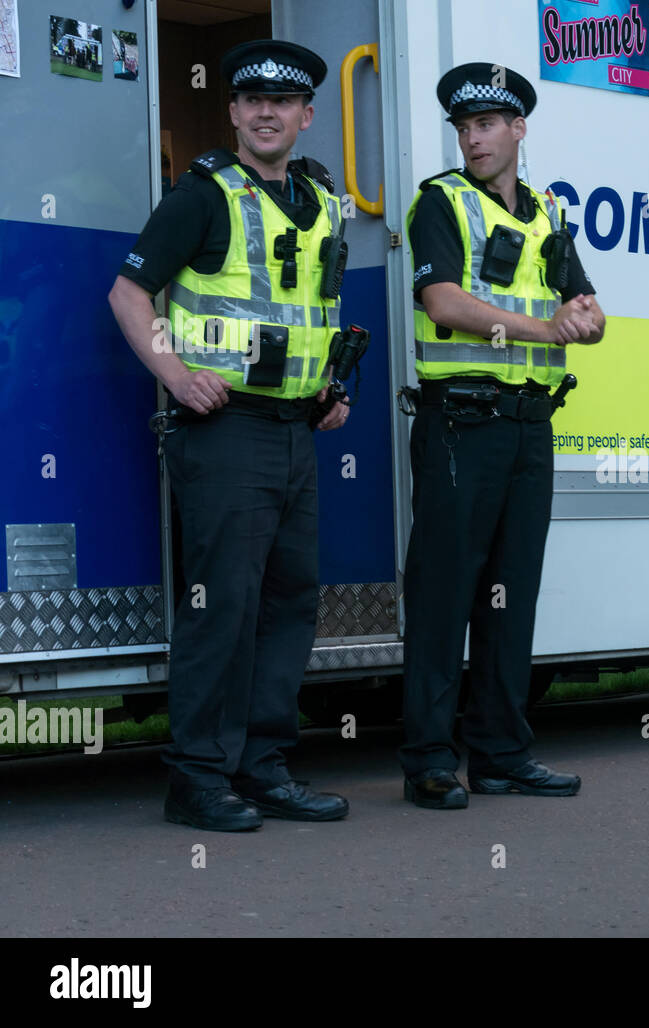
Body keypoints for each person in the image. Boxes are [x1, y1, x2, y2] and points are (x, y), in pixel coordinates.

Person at [108, 40, 351, 831]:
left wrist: (325, 391)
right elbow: (128, 292)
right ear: (235, 112)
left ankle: (264, 767)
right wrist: (176, 376)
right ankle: (198, 779)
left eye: (282, 103)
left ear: (307, 115)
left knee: (289, 604)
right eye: (252, 101)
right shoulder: (204, 194)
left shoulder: (322, 201)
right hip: (222, 433)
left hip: (294, 432)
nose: (266, 113)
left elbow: (305, 317)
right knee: (225, 607)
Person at [399, 62, 604, 809]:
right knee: (443, 595)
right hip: (462, 422)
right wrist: (544, 325)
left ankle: (500, 755)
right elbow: (443, 301)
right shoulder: (440, 202)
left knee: (509, 599)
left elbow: (589, 308)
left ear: (519, 129)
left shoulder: (550, 213)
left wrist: (584, 320)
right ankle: (426, 758)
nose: (473, 138)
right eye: (463, 126)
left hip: (529, 428)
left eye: (486, 125)